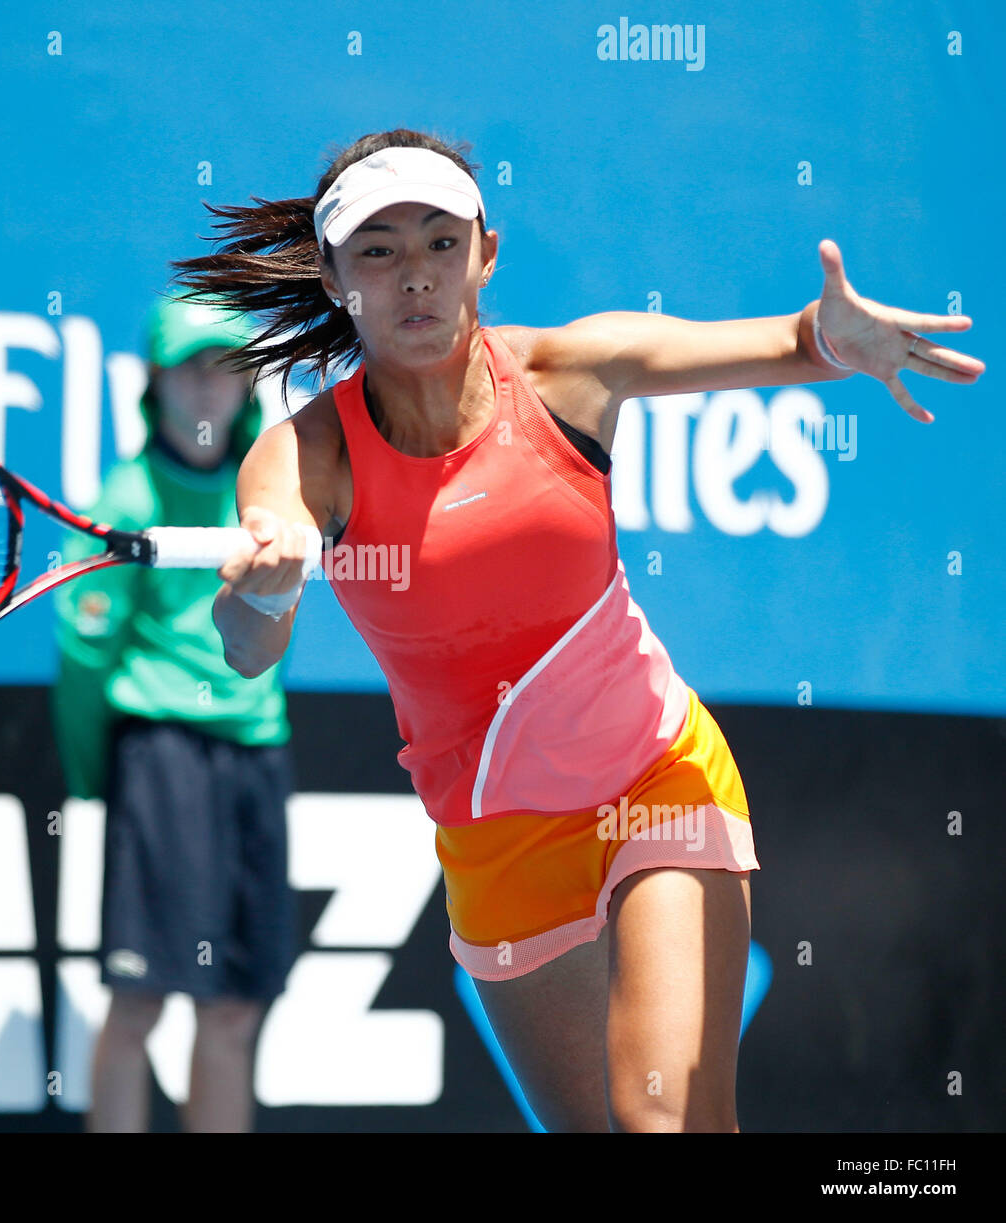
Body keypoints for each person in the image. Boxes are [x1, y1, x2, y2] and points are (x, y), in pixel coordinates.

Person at [167, 128, 985, 1133]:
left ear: (486, 253)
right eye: (378, 250)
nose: (415, 276)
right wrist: (265, 585)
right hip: (497, 839)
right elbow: (247, 648)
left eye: (438, 241)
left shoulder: (570, 372)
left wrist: (831, 340)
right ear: (336, 274)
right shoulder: (307, 452)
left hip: (654, 776)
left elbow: (780, 342)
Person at [51, 296, 297, 1133]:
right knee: (141, 1002)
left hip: (257, 757)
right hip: (160, 761)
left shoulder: (277, 495)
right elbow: (85, 661)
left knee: (233, 1010)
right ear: (155, 379)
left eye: (227, 366)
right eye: (190, 365)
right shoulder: (122, 495)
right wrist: (99, 778)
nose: (208, 385)